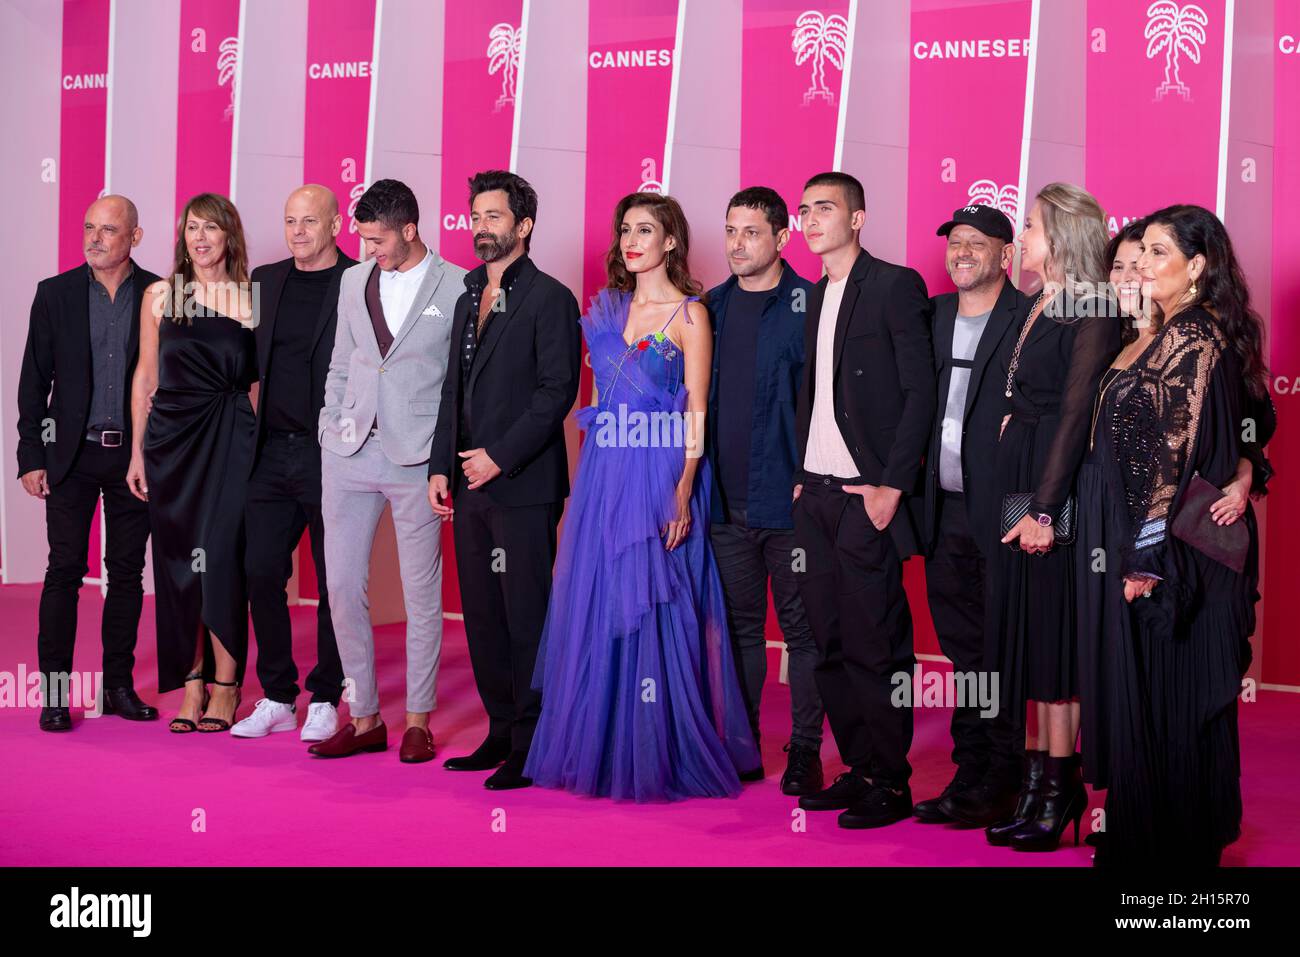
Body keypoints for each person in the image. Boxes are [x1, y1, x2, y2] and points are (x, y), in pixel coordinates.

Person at [523, 192, 760, 801]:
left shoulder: (691, 314)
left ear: (671, 241)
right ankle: (600, 745)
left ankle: (659, 745)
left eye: (646, 230)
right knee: (599, 598)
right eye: (625, 229)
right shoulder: (608, 308)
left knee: (660, 604)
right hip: (607, 472)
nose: (631, 240)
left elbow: (698, 413)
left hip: (662, 472)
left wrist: (682, 489)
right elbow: (604, 400)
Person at [1089, 205, 1272, 867]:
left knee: (1180, 695)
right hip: (1172, 540)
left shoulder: (1196, 335)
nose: (1144, 265)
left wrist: (1146, 555)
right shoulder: (1177, 332)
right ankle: (1156, 838)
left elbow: (1171, 450)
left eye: (1160, 252)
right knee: (1159, 695)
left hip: (1186, 550)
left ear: (1197, 266)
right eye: (1142, 253)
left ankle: (1178, 851)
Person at [791, 171, 937, 829]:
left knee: (875, 644)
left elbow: (920, 395)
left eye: (825, 207)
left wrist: (892, 488)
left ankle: (891, 779)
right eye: (804, 209)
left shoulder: (895, 285)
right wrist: (799, 472)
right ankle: (858, 767)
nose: (811, 218)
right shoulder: (813, 295)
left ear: (857, 218)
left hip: (864, 499)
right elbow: (813, 395)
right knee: (827, 642)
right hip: (815, 495)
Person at [428, 171, 581, 790]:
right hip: (468, 485)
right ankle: (498, 730)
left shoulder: (550, 298)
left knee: (526, 615)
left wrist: (499, 457)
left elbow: (556, 394)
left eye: (494, 217)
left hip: (522, 485)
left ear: (523, 226)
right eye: (476, 217)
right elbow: (452, 390)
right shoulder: (467, 295)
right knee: (483, 615)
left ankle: (532, 739)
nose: (481, 228)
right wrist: (442, 465)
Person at [309, 179, 466, 763]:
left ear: (410, 230)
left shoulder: (458, 286)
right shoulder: (353, 280)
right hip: (347, 451)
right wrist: (331, 424)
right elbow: (343, 359)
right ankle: (365, 714)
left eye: (378, 240)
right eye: (364, 238)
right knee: (343, 588)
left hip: (417, 456)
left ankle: (418, 720)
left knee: (422, 595)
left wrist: (443, 459)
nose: (368, 249)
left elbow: (458, 383)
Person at [984, 182, 1120, 851]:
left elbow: (1077, 413)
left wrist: (1044, 508)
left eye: (1032, 225)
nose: (1024, 236)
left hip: (1051, 483)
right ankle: (1038, 780)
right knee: (1028, 629)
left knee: (1053, 630)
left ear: (1063, 235)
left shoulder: (1094, 305)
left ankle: (1058, 786)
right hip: (1021, 472)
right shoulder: (1042, 299)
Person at [18, 195, 160, 731]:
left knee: (126, 575)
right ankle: (54, 695)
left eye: (108, 230)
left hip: (133, 459)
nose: (95, 238)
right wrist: (32, 453)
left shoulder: (158, 294)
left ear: (134, 237)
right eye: (89, 227)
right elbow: (34, 382)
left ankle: (118, 687)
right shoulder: (53, 295)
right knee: (63, 574)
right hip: (69, 459)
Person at [704, 186, 824, 795]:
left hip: (792, 501)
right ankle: (742, 745)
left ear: (782, 238)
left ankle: (805, 749)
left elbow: (834, 402)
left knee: (803, 634)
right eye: (730, 231)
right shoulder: (711, 307)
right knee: (740, 631)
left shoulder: (813, 305)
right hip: (725, 503)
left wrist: (815, 473)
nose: (736, 244)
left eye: (751, 232)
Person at [915, 204, 1031, 826]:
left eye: (975, 242)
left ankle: (1004, 774)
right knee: (964, 652)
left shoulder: (1030, 320)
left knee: (1001, 648)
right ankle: (972, 768)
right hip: (944, 511)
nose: (960, 251)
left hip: (1006, 514)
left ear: (1005, 254)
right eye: (954, 241)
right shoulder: (930, 316)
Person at [127, 193, 258, 733]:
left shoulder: (254, 298)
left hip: (231, 440)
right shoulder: (161, 295)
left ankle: (227, 687)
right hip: (171, 445)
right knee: (179, 564)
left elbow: (263, 383)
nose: (199, 238)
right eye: (190, 229)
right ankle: (191, 684)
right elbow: (145, 377)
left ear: (230, 235)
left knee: (223, 557)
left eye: (210, 228)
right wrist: (137, 450)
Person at [231, 186, 356, 743]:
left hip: (331, 453)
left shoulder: (360, 281)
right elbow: (241, 363)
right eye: (290, 221)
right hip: (269, 451)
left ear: (335, 225)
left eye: (310, 221)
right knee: (260, 569)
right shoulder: (265, 281)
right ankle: (278, 695)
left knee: (336, 580)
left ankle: (327, 695)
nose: (298, 230)